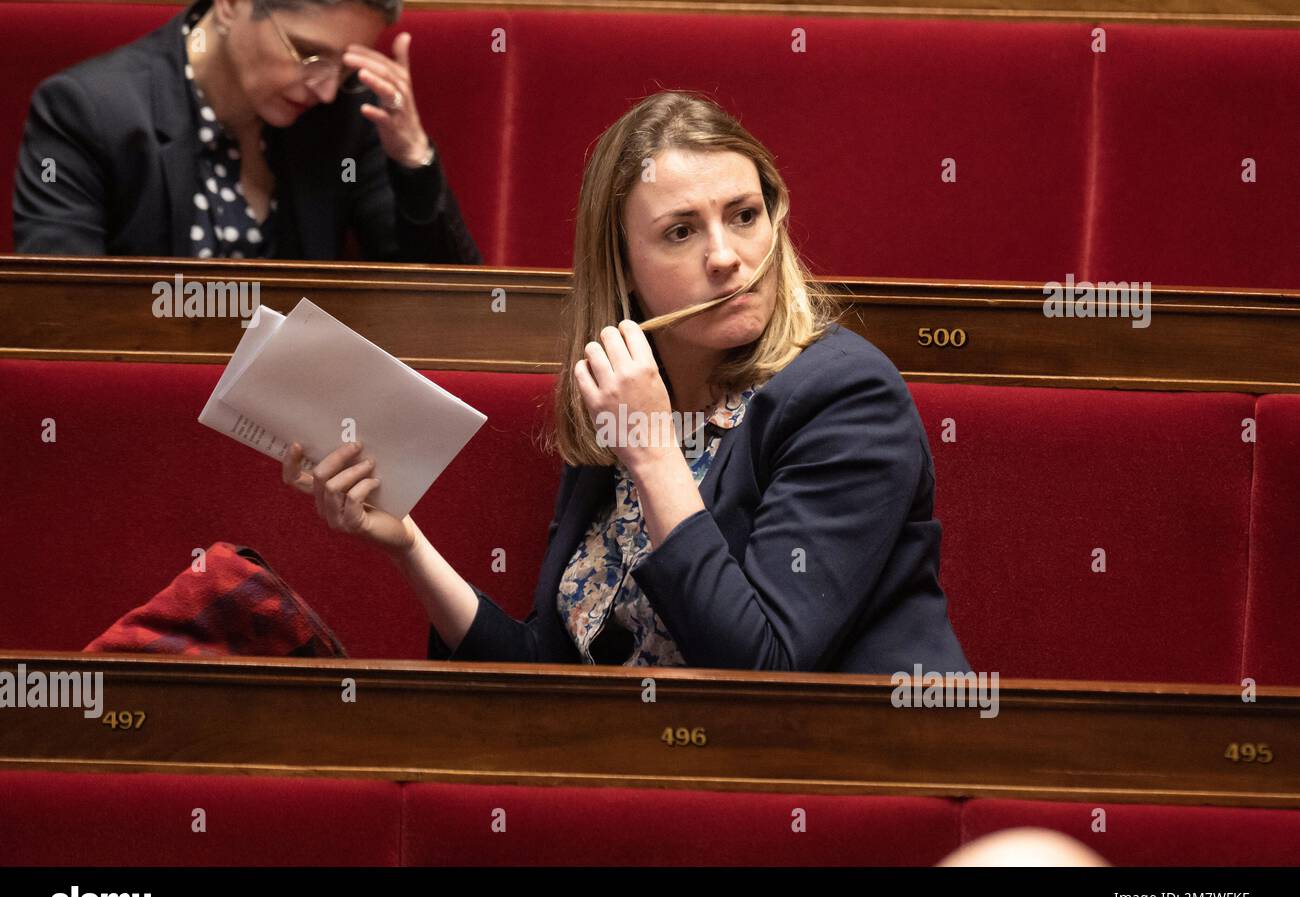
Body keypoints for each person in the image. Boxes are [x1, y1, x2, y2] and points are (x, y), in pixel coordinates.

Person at [282, 90, 969, 673]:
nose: (728, 258)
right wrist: (406, 543)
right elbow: (555, 679)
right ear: (624, 269)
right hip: (658, 782)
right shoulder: (635, 392)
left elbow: (762, 670)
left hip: (835, 784)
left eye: (744, 215)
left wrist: (651, 450)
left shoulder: (846, 395)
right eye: (680, 232)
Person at [13, 0, 479, 263]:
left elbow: (448, 310)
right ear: (232, 5)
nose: (327, 89)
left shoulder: (346, 115)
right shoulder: (87, 110)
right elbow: (60, 313)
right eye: (309, 53)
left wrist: (413, 158)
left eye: (346, 65)